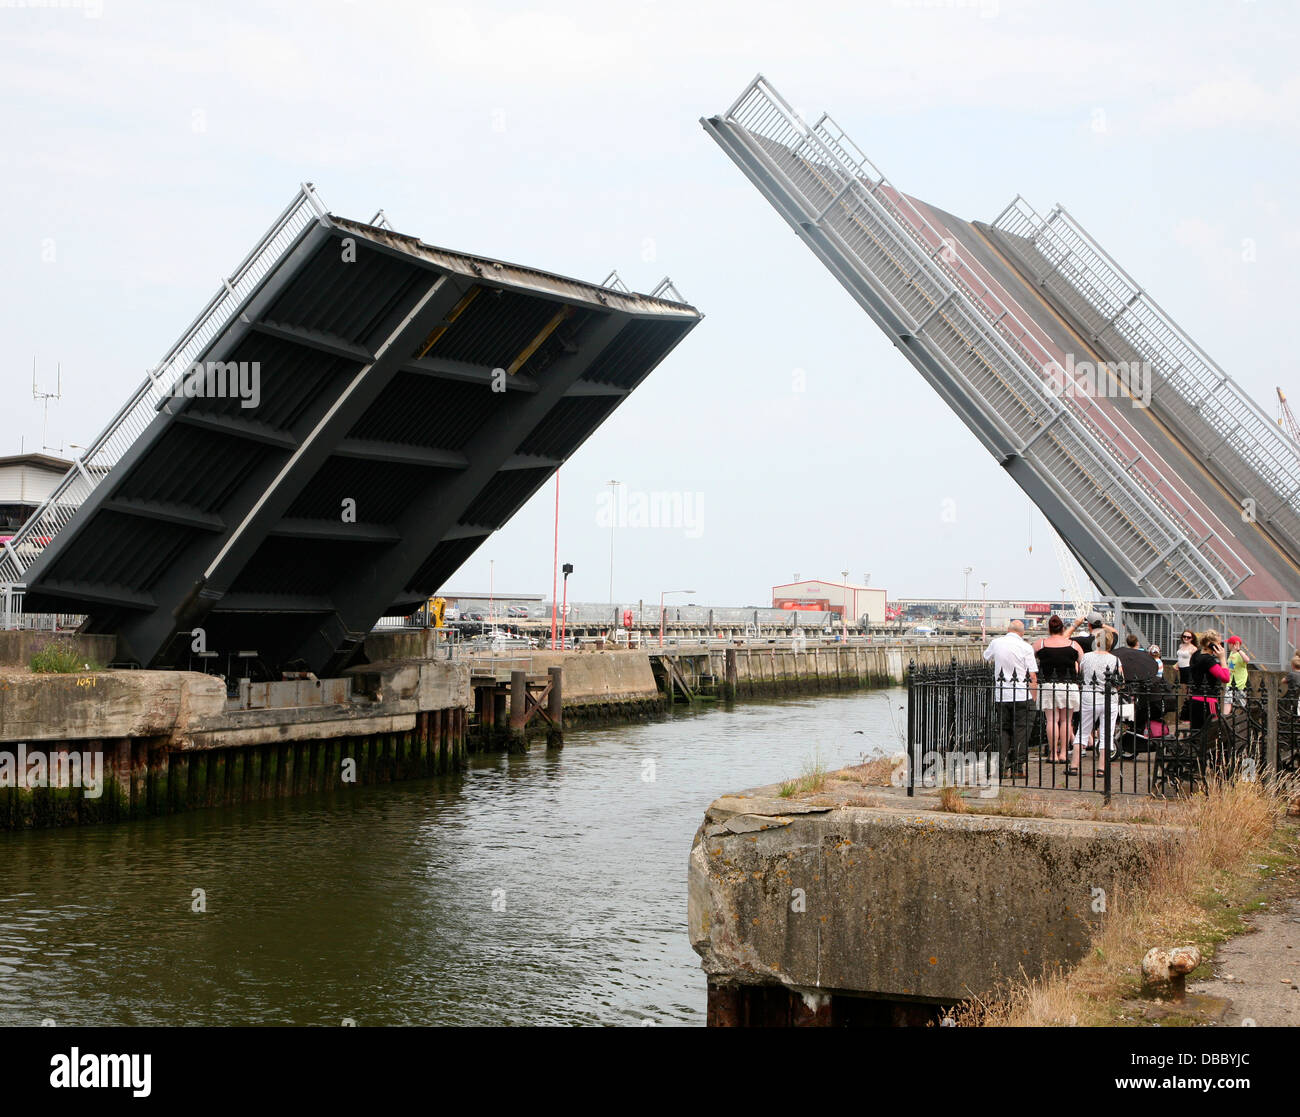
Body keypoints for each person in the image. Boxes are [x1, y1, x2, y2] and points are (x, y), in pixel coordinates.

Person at [983, 620, 1038, 778]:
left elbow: (986, 656)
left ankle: (1001, 766)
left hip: (1002, 695)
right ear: (1022, 632)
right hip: (1021, 694)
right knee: (1021, 730)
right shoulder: (1026, 647)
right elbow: (1032, 675)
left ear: (1008, 629)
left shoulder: (996, 643)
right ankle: (1017, 768)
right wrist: (1033, 697)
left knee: (1003, 731)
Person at [1032, 615, 1082, 762]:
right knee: (1066, 721)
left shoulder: (1040, 644)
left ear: (1049, 628)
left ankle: (1053, 754)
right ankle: (1064, 754)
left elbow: (1028, 659)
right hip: (1069, 685)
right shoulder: (1073, 645)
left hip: (1048, 685)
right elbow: (1082, 662)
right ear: (1063, 629)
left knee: (1051, 720)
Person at [1074, 631, 1124, 775]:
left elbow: (1081, 674)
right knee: (1106, 734)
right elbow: (1121, 681)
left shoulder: (1086, 657)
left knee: (1082, 732)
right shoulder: (1115, 660)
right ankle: (1102, 768)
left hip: (1090, 697)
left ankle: (1074, 766)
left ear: (1096, 641)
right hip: (1110, 699)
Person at [1187, 630, 1230, 731]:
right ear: (1208, 644)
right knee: (1211, 732)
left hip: (1195, 699)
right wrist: (1223, 658)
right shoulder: (1208, 660)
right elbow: (1225, 678)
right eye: (1218, 643)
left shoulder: (1196, 654)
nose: (1220, 646)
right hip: (1207, 700)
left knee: (1196, 732)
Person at [1223, 636, 1249, 716]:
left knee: (1243, 705)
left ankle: (1248, 717)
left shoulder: (1240, 654)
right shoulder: (1231, 653)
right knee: (1227, 701)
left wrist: (1239, 650)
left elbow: (1247, 660)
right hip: (1230, 683)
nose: (1228, 645)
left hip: (1239, 684)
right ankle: (1224, 718)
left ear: (1232, 644)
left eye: (1229, 643)